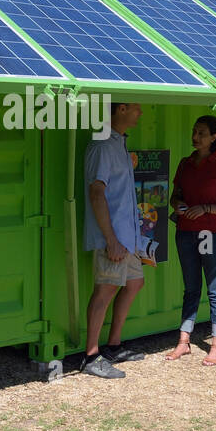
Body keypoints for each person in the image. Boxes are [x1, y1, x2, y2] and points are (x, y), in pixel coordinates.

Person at [80, 102, 148, 379]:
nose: (140, 113)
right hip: (113, 237)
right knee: (105, 289)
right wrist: (111, 240)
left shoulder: (118, 143)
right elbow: (97, 193)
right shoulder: (102, 146)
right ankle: (90, 356)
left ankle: (114, 345)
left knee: (134, 282)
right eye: (136, 108)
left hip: (126, 237)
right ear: (120, 110)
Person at [167, 115, 216, 367]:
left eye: (201, 133)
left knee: (215, 290)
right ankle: (183, 342)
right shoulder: (185, 164)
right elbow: (174, 196)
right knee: (191, 288)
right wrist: (178, 205)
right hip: (185, 233)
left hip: (212, 235)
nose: (195, 137)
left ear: (214, 137)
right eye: (194, 131)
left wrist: (206, 208)